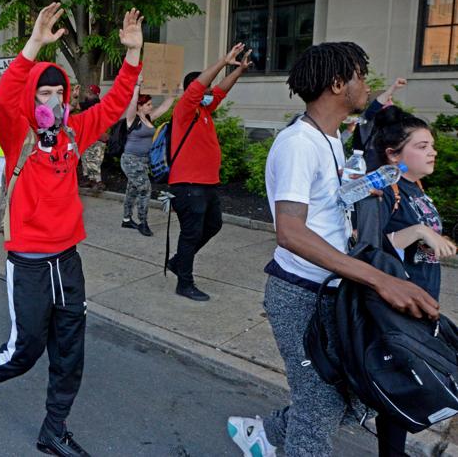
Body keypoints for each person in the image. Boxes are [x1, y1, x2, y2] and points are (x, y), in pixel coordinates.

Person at [227, 42, 440, 457]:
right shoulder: (298, 144)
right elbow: (289, 230)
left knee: (352, 396)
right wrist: (380, 279)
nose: (367, 84)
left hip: (333, 288)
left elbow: (328, 202)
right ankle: (279, 440)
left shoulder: (330, 138)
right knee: (319, 411)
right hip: (298, 294)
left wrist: (373, 186)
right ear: (338, 83)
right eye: (361, 75)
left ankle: (265, 434)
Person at [0, 3, 143, 456]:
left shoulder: (76, 130)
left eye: (58, 93)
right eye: (43, 94)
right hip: (28, 261)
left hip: (68, 259)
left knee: (69, 354)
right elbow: (4, 98)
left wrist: (135, 55)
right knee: (25, 351)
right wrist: (35, 45)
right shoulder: (14, 128)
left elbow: (118, 102)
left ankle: (53, 430)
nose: (52, 102)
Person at [366, 106, 456, 456]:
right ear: (394, 154)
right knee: (396, 383)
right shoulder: (387, 187)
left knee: (404, 384)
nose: (432, 151)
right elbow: (368, 248)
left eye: (431, 144)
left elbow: (419, 249)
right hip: (396, 307)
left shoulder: (415, 187)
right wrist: (418, 231)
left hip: (421, 302)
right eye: (421, 146)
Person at [166, 43, 253, 301]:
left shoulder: (204, 110)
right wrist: (222, 62)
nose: (207, 93)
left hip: (206, 184)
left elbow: (221, 90)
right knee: (191, 232)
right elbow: (199, 87)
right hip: (187, 185)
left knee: (214, 224)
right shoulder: (184, 110)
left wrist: (239, 71)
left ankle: (179, 261)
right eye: (202, 90)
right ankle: (185, 282)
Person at [120, 82, 177, 237]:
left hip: (143, 161)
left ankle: (126, 219)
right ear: (139, 106)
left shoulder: (148, 118)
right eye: (148, 104)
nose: (151, 107)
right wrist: (137, 86)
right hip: (130, 160)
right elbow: (132, 103)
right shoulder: (132, 119)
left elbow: (165, 107)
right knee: (145, 189)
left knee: (132, 189)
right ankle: (143, 222)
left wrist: (172, 91)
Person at [350, 77, 408, 170]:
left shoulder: (391, 121)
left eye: (391, 99)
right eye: (387, 100)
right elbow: (375, 107)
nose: (391, 103)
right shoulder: (367, 119)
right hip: (370, 169)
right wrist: (393, 88)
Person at [78, 88, 107, 190]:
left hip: (97, 138)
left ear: (95, 95)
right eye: (88, 92)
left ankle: (98, 182)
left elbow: (77, 106)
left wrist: (75, 97)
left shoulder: (94, 103)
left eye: (90, 93)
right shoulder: (90, 104)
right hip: (89, 136)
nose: (87, 95)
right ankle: (90, 180)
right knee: (86, 158)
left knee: (94, 160)